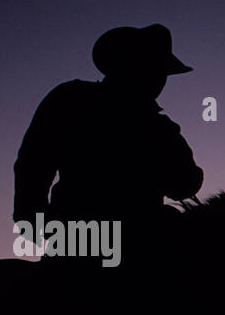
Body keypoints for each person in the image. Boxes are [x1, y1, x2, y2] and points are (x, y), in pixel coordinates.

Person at [13, 23, 203, 269]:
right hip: (115, 243)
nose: (159, 80)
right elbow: (185, 184)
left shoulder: (71, 98)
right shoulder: (157, 126)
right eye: (154, 69)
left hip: (87, 238)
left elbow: (33, 163)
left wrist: (33, 221)